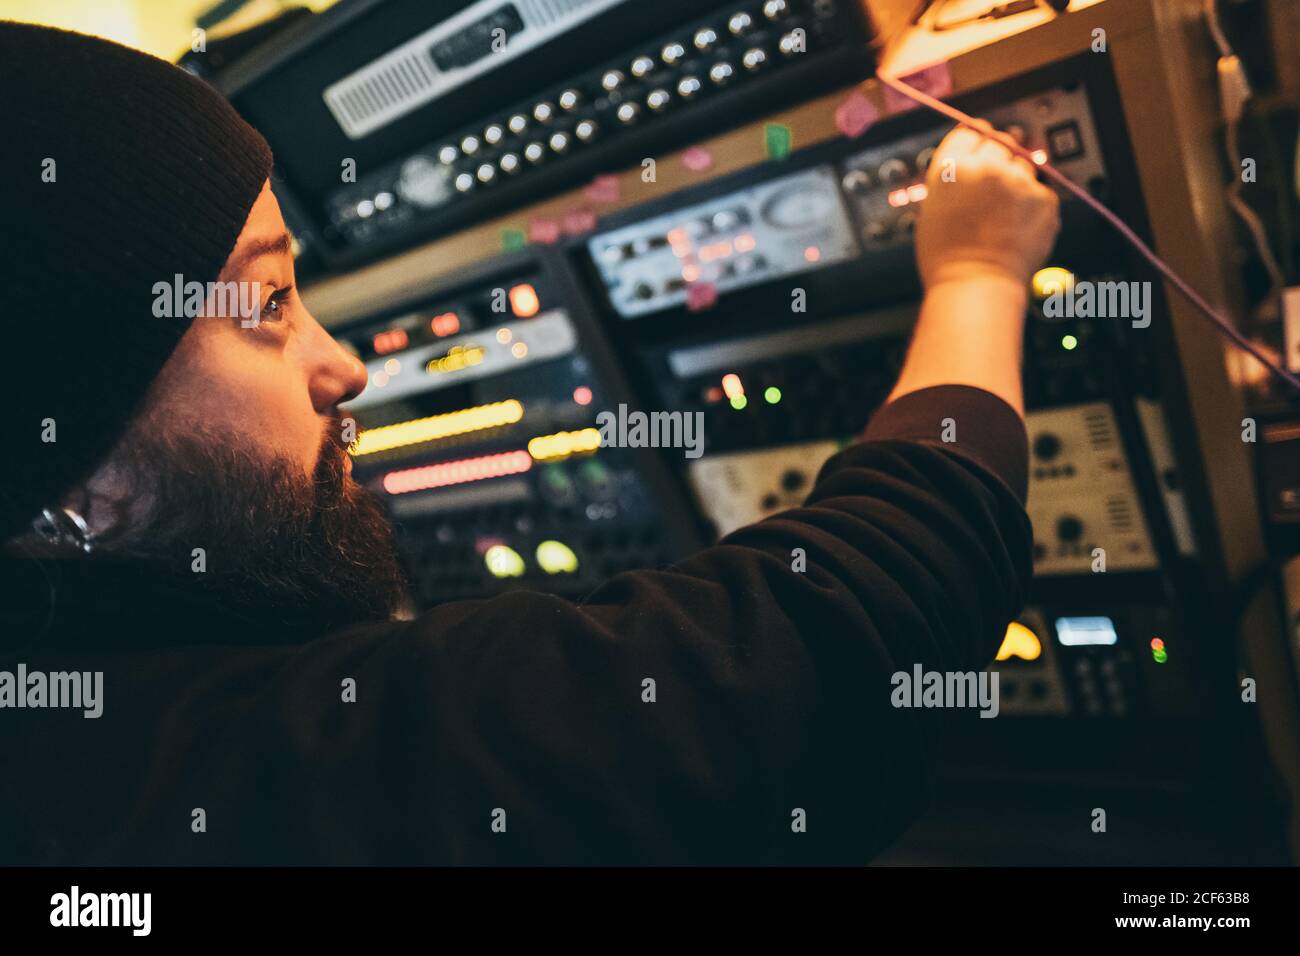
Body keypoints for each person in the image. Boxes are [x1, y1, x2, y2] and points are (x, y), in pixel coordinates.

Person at [0, 21, 1058, 864]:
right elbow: (843, 640)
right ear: (77, 490)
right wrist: (977, 274)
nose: (345, 367)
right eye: (270, 300)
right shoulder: (209, 779)